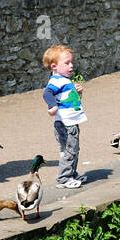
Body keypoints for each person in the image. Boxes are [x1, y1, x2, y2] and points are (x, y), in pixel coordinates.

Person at [42, 44, 86, 189]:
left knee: (72, 149)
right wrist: (52, 106)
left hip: (70, 121)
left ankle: (71, 173)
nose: (71, 66)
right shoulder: (56, 81)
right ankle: (63, 178)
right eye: (67, 63)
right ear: (54, 66)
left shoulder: (64, 80)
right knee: (70, 150)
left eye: (71, 62)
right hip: (66, 123)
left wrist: (77, 92)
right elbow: (47, 93)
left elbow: (69, 99)